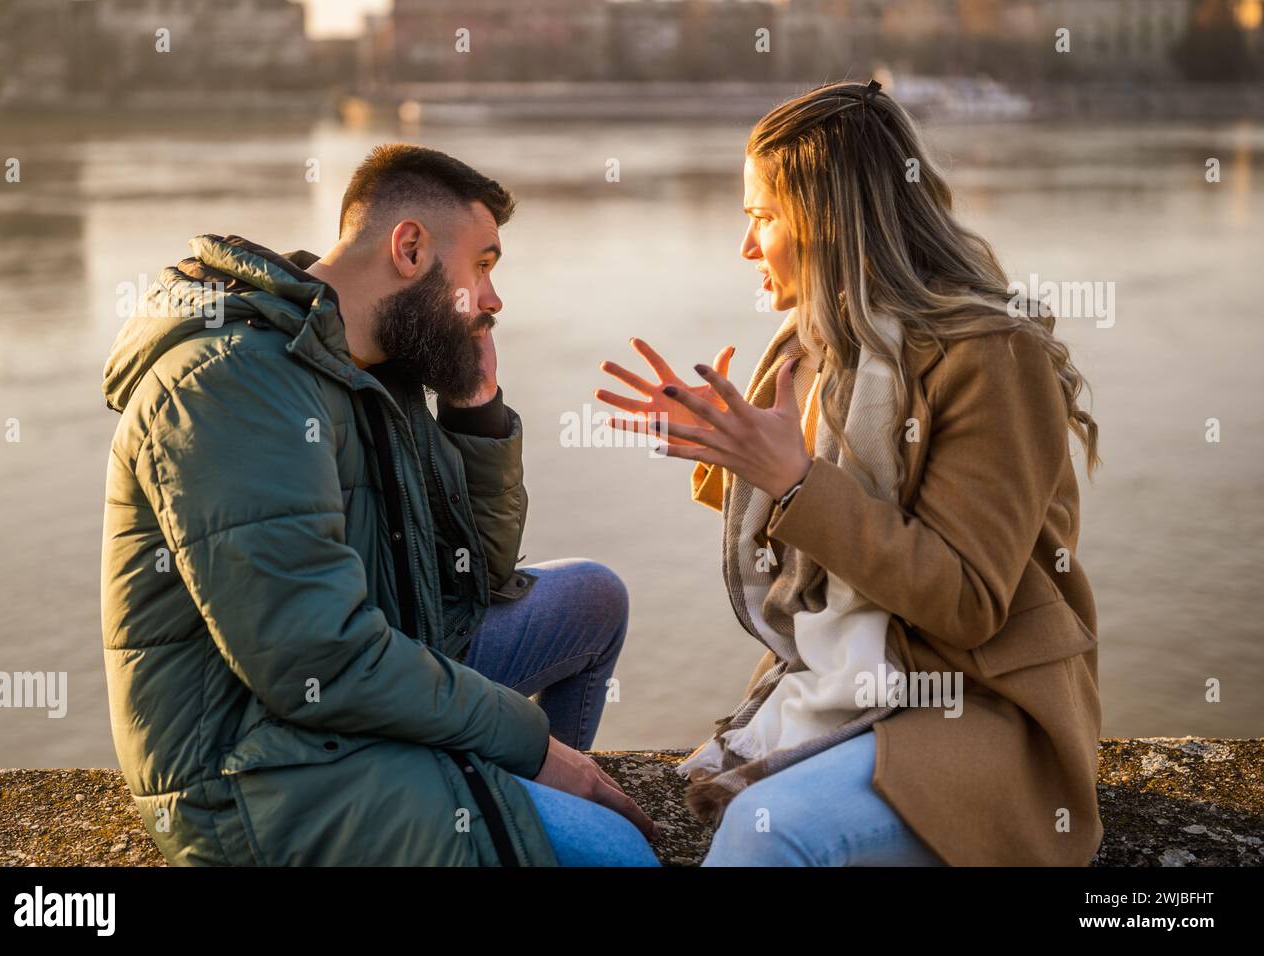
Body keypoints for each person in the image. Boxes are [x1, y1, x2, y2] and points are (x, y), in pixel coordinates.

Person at [101, 143, 660, 866]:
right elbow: (318, 660)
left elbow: (474, 580)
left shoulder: (372, 366)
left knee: (592, 599)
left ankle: (510, 811)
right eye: (483, 265)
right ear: (410, 247)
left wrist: (476, 409)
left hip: (367, 686)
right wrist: (532, 744)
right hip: (266, 766)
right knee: (619, 853)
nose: (493, 299)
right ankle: (506, 810)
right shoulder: (233, 379)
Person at [597, 79, 1104, 866]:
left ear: (829, 220)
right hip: (856, 684)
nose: (744, 246)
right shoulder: (817, 350)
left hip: (976, 704)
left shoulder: (993, 355)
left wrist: (795, 480)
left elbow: (967, 602)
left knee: (772, 830)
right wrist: (732, 452)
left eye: (760, 218)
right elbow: (824, 540)